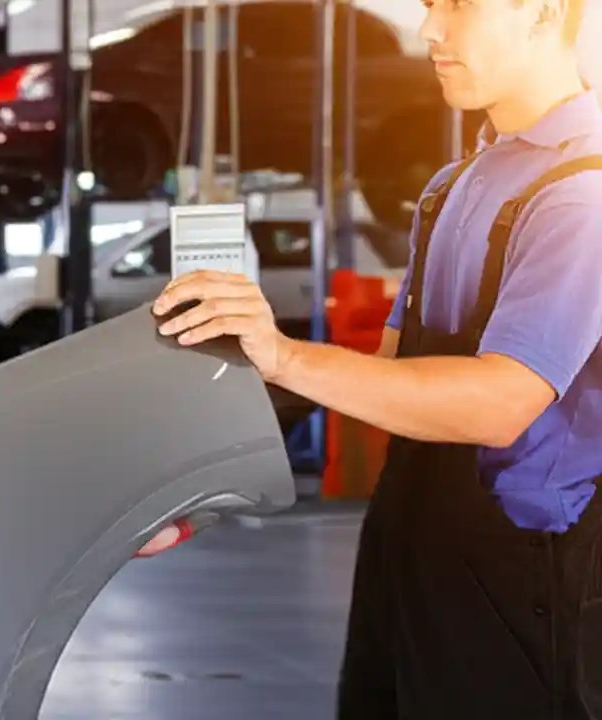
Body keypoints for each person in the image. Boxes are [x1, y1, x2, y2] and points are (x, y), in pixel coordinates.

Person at [143, 0, 602, 714]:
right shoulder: (453, 185)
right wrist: (193, 496)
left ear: (543, 12)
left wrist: (284, 353)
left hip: (525, 583)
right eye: (428, 5)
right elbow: (382, 378)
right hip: (408, 551)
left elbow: (499, 405)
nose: (430, 30)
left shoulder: (583, 193)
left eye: (458, 4)